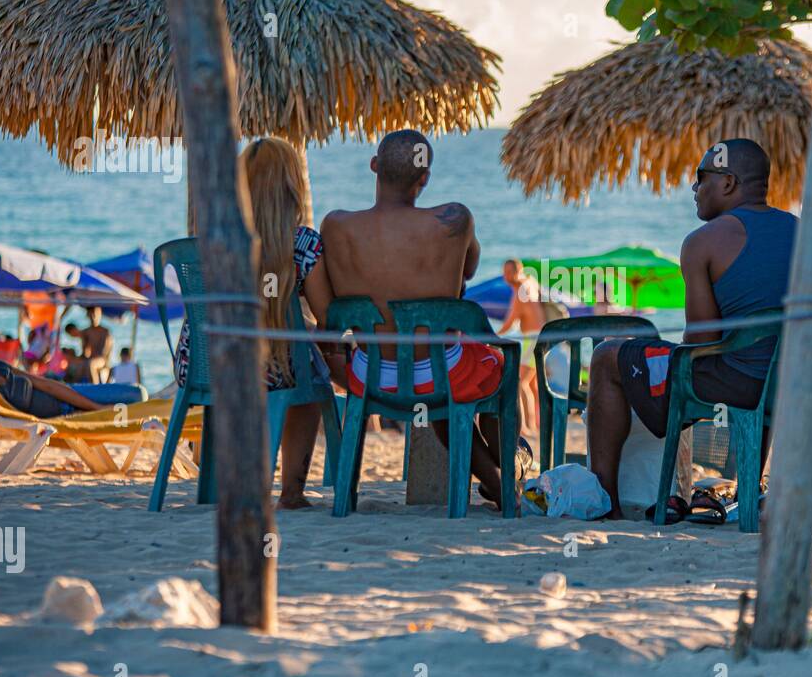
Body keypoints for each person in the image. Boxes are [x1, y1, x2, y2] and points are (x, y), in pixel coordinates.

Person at [585, 139, 798, 519]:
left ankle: (604, 502)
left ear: (729, 183)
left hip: (735, 380)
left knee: (606, 357)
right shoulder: (804, 232)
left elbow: (700, 340)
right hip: (795, 383)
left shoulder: (703, 242)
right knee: (759, 360)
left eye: (702, 178)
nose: (694, 189)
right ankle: (749, 484)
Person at [315, 128, 510, 508]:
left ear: (374, 166)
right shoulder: (454, 219)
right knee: (496, 365)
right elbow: (468, 271)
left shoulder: (335, 225)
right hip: (441, 372)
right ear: (425, 179)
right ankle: (505, 468)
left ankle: (498, 480)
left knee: (437, 381)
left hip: (370, 374)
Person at [172, 137, 332, 509]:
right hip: (266, 370)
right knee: (311, 384)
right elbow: (328, 317)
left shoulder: (212, 238)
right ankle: (291, 492)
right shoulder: (302, 244)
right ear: (292, 187)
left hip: (199, 365)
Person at [498, 258, 545, 436]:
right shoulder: (531, 282)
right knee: (533, 384)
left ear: (517, 271)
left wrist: (490, 336)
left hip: (531, 339)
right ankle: (538, 425)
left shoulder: (520, 291)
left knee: (520, 382)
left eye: (508, 273)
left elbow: (510, 322)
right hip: (540, 337)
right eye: (504, 272)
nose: (505, 277)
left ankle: (527, 426)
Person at [64, 307, 113, 383]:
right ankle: (73, 388)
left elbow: (105, 353)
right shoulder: (86, 332)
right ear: (88, 316)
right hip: (90, 358)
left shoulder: (105, 331)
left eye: (95, 314)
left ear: (100, 315)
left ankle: (94, 388)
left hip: (102, 360)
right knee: (77, 365)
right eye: (91, 315)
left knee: (91, 364)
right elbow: (85, 352)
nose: (93, 317)